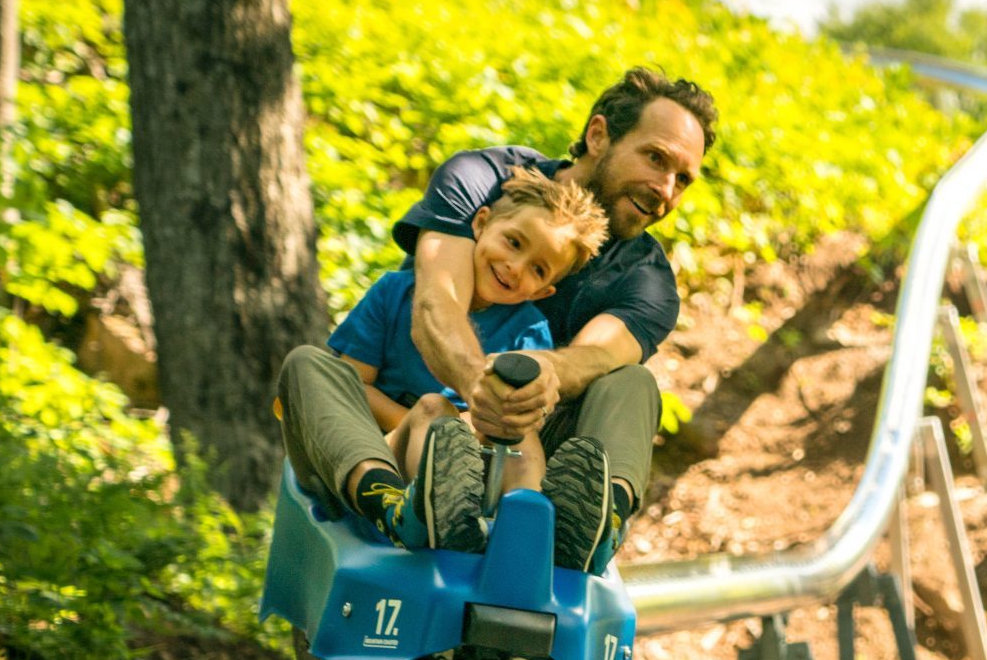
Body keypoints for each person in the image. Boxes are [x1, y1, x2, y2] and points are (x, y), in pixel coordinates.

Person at [276, 66, 717, 572]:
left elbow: (590, 357)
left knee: (633, 384)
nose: (665, 188)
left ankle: (585, 529)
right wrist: (478, 391)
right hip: (388, 435)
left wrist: (525, 388)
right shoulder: (484, 181)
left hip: (513, 450)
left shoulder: (649, 283)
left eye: (683, 179)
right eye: (655, 158)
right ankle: (393, 504)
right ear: (599, 135)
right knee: (309, 365)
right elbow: (436, 304)